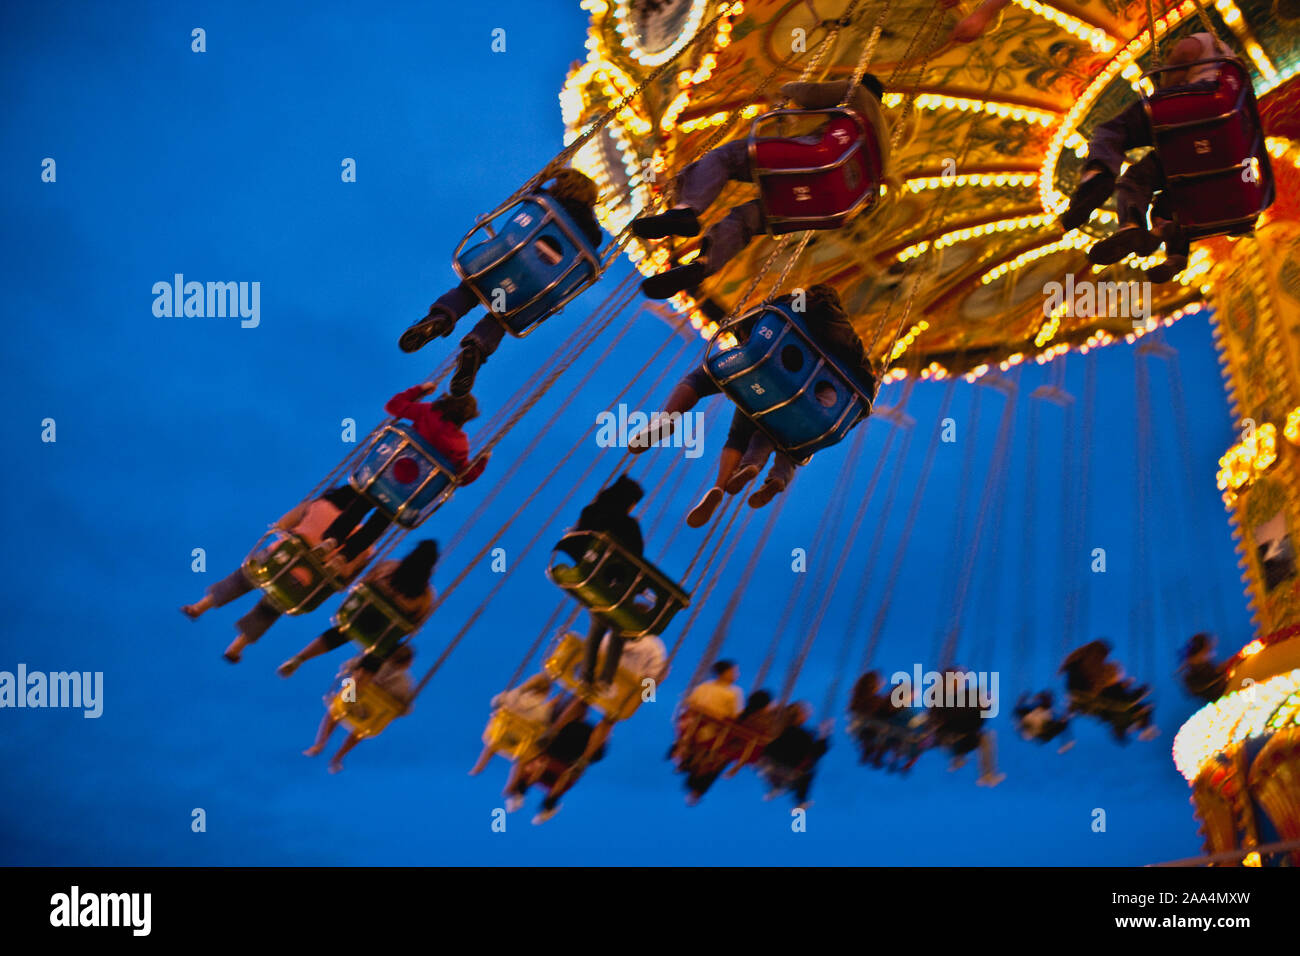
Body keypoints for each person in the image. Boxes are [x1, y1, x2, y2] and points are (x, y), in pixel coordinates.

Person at [632, 73, 892, 300]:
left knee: (727, 157)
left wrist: (789, 87)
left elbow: (809, 95)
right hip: (827, 205)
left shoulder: (858, 92)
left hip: (815, 160)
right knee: (748, 220)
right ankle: (701, 266)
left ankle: (685, 210)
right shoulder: (885, 151)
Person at [630, 285, 874, 525]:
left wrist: (744, 332)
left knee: (702, 378)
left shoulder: (801, 300)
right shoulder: (850, 339)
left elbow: (760, 317)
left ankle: (668, 420)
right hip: (812, 402)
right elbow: (866, 385)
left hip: (769, 366)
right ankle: (762, 476)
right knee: (784, 433)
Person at [399, 169, 605, 396]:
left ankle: (440, 318)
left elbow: (523, 210)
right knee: (501, 314)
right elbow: (592, 260)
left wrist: (545, 179)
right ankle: (476, 349)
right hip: (537, 285)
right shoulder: (594, 234)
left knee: (472, 289)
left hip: (508, 258)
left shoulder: (546, 199)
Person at [1059, 32, 1236, 282]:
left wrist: (1166, 83)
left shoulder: (1206, 40)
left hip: (1192, 106)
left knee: (1111, 132)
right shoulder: (1232, 72)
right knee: (1174, 191)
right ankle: (1173, 249)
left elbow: (1184, 53)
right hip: (1219, 143)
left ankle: (1099, 175)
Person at [180, 486, 371, 663]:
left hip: (279, 559)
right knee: (272, 608)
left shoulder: (317, 505)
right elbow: (348, 572)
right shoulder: (361, 538)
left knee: (242, 579)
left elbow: (282, 524)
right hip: (306, 582)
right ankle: (235, 648)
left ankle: (199, 607)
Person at [323, 388, 488, 562]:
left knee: (359, 506)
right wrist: (482, 461)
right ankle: (344, 556)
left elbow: (393, 407)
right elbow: (463, 478)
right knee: (379, 524)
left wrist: (420, 390)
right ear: (466, 418)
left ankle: (331, 540)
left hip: (384, 475)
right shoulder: (460, 445)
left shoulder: (428, 412)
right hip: (406, 497)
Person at [276, 539, 439, 677]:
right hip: (380, 636)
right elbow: (416, 622)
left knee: (342, 632)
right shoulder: (426, 595)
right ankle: (352, 693)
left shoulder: (388, 567)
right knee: (377, 657)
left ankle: (300, 658)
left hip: (357, 618)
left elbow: (363, 584)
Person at [560, 476, 647, 688]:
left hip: (588, 578)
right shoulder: (628, 525)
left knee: (602, 624)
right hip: (614, 584)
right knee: (617, 625)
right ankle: (602, 680)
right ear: (629, 500)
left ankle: (589, 677)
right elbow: (637, 558)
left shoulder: (589, 512)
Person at [304, 644, 416, 773]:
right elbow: (404, 705)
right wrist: (403, 709)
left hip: (354, 700)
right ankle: (337, 756)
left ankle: (321, 744)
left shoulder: (377, 664)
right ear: (407, 663)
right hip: (370, 711)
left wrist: (351, 673)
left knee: (336, 711)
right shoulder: (404, 682)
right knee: (362, 730)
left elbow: (348, 666)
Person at [504, 699, 611, 825]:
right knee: (551, 760)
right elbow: (560, 777)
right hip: (572, 750)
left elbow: (526, 763)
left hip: (566, 744)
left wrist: (514, 786)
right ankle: (602, 714)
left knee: (549, 750)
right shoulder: (554, 780)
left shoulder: (541, 776)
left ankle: (596, 710)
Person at [469, 674, 557, 775]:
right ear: (546, 693)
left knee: (493, 743)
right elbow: (543, 722)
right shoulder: (542, 709)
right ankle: (514, 782)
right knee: (523, 757)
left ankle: (480, 766)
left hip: (502, 733)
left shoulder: (514, 695)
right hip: (520, 742)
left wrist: (500, 699)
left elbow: (495, 702)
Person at [758, 702, 831, 809]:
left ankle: (775, 788)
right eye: (805, 713)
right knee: (809, 769)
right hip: (787, 772)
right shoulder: (803, 735)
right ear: (800, 716)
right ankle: (800, 800)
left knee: (791, 762)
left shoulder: (777, 728)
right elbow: (816, 752)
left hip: (768, 767)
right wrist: (823, 736)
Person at [1178, 632, 1229, 703]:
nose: (1210, 652)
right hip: (1219, 697)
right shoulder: (1196, 672)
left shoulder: (1203, 665)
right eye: (1207, 648)